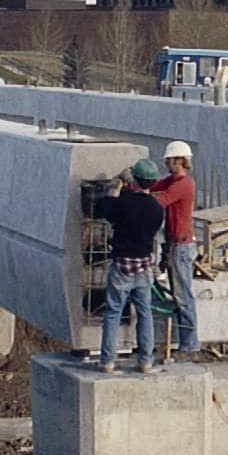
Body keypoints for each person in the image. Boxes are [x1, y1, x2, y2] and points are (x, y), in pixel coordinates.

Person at [95, 159, 167, 374]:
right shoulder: (156, 208)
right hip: (144, 267)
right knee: (144, 313)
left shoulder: (123, 204)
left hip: (122, 266)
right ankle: (145, 361)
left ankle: (107, 361)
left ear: (134, 179)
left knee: (113, 312)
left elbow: (106, 209)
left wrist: (115, 188)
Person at [151, 140, 200, 360]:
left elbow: (160, 200)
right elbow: (153, 187)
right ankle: (185, 343)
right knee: (179, 295)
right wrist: (134, 184)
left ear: (179, 160)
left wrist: (135, 196)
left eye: (169, 160)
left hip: (182, 246)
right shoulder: (171, 180)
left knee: (183, 297)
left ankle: (190, 345)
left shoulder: (183, 184)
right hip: (173, 245)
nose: (166, 163)